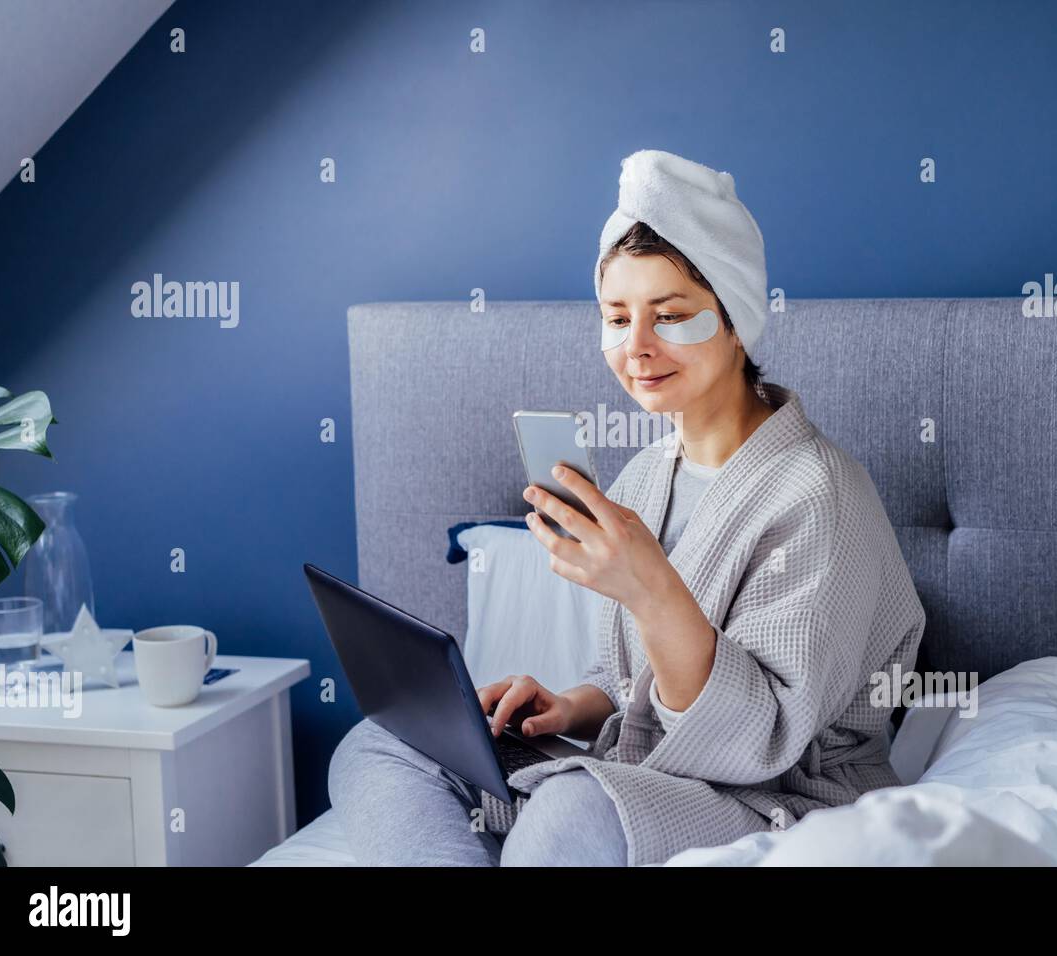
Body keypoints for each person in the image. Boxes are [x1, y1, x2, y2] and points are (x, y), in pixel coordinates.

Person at [328, 149, 926, 866]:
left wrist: (649, 585)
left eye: (670, 317)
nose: (637, 347)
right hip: (641, 766)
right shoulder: (648, 473)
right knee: (384, 740)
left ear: (735, 323)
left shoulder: (820, 496)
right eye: (617, 317)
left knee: (569, 812)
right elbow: (629, 680)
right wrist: (571, 706)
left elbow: (759, 738)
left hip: (770, 792)